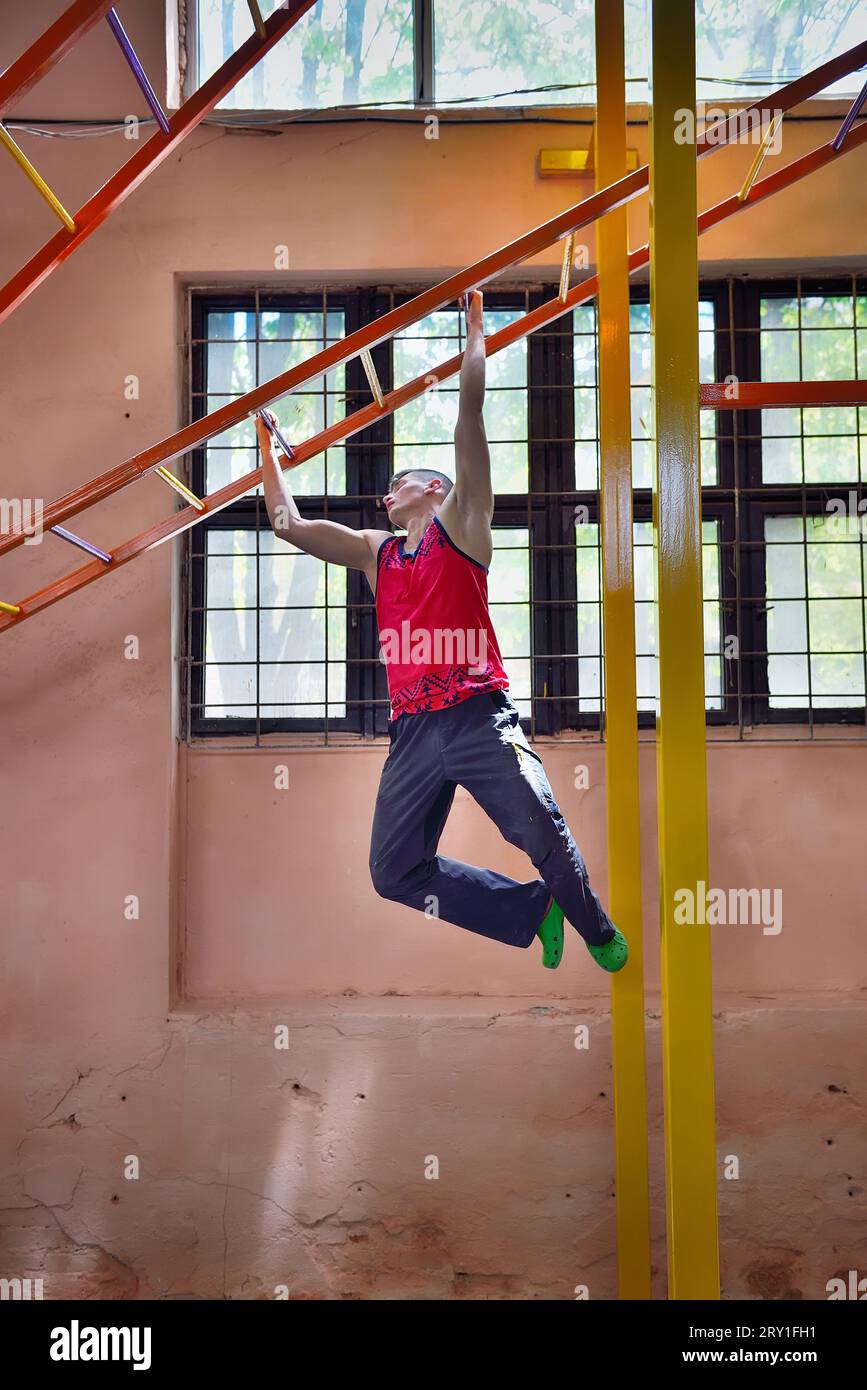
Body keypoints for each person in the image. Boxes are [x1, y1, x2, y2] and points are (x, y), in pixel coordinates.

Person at [255, 290, 628, 973]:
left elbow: (469, 418)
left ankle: (593, 928)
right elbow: (289, 525)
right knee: (392, 870)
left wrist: (477, 333)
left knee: (539, 830)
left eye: (396, 486)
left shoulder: (463, 524)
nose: (383, 496)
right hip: (414, 733)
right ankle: (527, 909)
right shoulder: (378, 551)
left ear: (432, 487)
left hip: (478, 719)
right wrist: (265, 446)